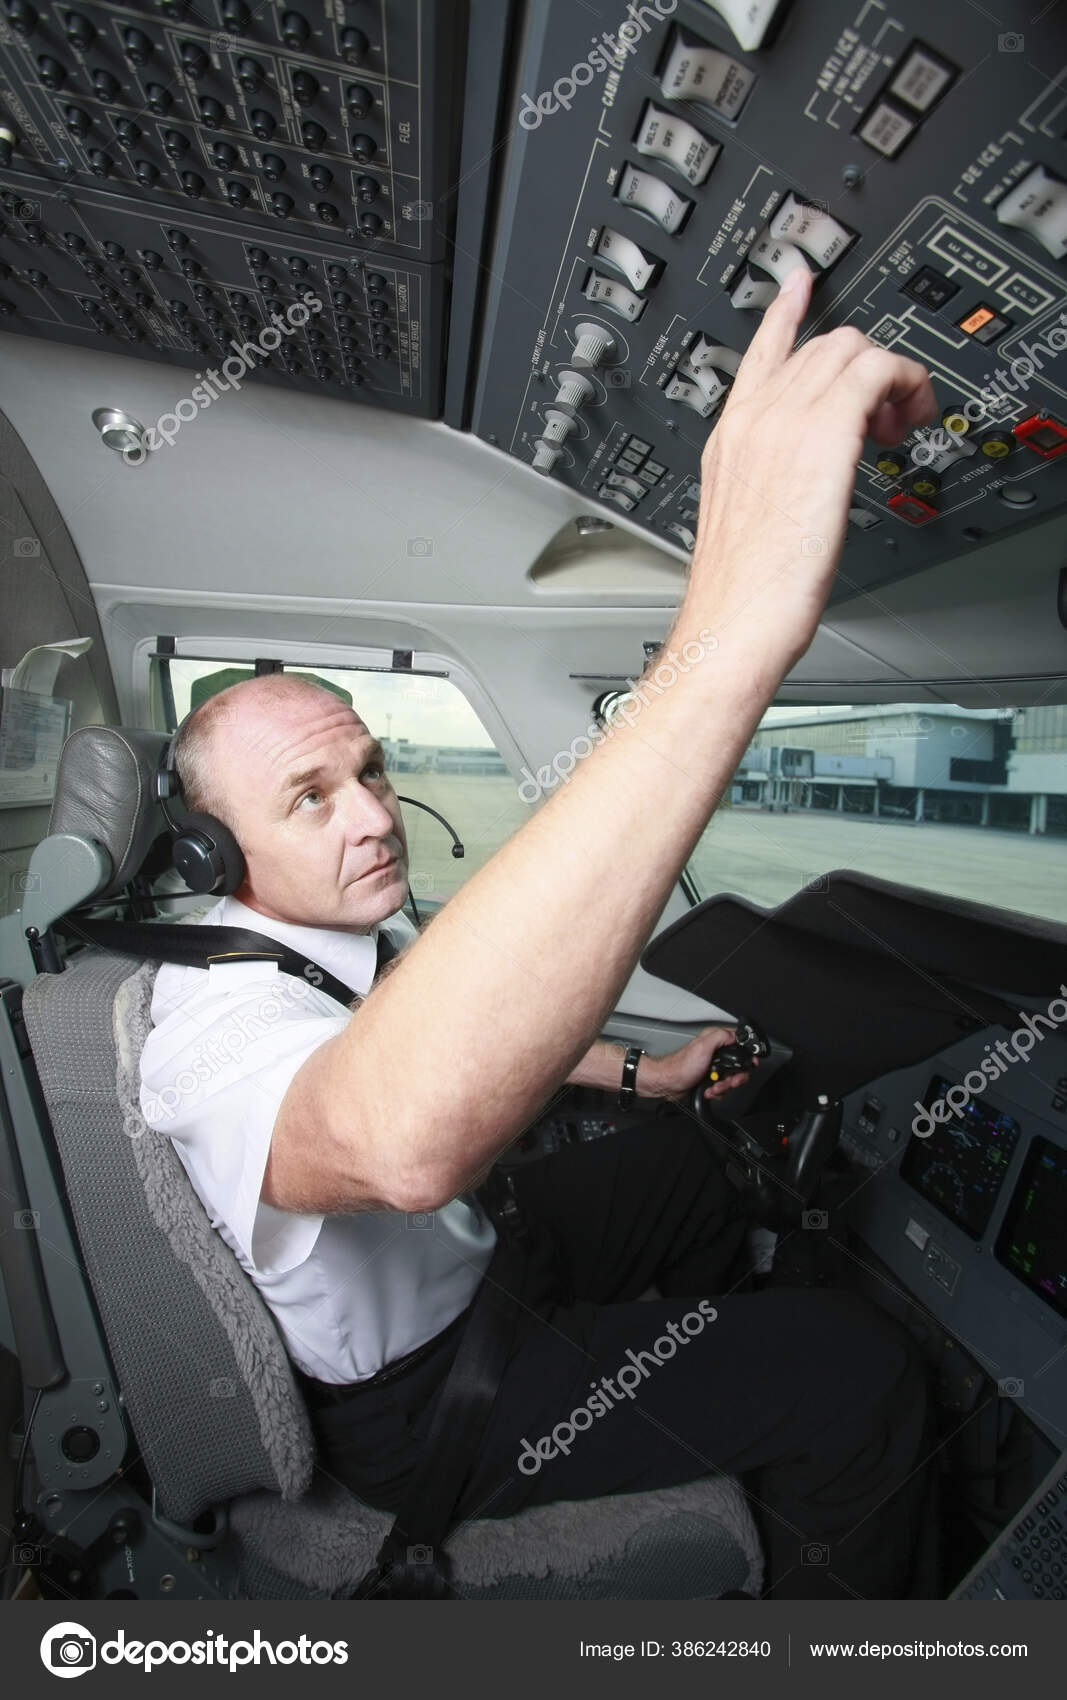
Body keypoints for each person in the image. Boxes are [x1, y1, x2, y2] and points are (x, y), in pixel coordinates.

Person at [140, 265, 942, 1599]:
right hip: (423, 1401)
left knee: (696, 1165)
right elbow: (401, 1139)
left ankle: (675, 1374)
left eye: (371, 772)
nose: (374, 819)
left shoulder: (317, 939)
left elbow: (471, 1032)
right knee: (858, 1377)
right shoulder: (206, 1032)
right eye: (311, 799)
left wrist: (652, 1072)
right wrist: (731, 627)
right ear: (217, 855)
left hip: (486, 1254)